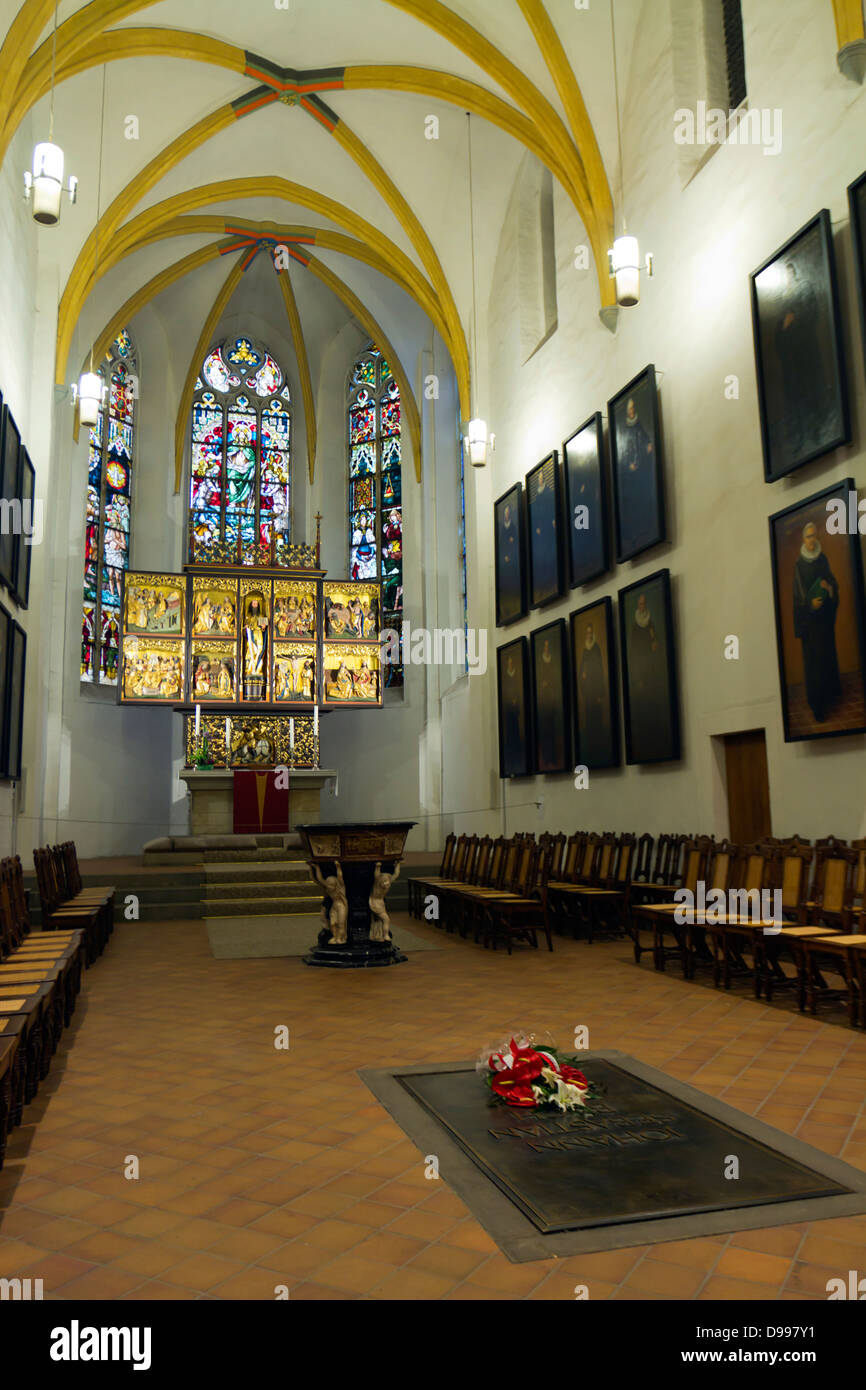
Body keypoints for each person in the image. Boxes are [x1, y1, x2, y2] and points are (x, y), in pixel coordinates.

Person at [792, 521, 842, 723]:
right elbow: (798, 597)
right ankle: (817, 706)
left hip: (824, 623)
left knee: (827, 659)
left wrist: (828, 588)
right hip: (811, 626)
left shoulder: (823, 559)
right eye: (808, 536)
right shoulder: (798, 565)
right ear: (803, 540)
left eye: (813, 536)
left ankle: (829, 697)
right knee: (814, 665)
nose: (811, 540)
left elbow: (833, 583)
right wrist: (810, 604)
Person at [628, 593, 667, 759]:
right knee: (643, 708)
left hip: (651, 670)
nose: (642, 607)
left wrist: (655, 643)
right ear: (638, 606)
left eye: (644, 604)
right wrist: (638, 677)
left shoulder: (650, 622)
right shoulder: (635, 626)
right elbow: (633, 652)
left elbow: (655, 642)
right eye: (640, 604)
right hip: (641, 673)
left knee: (654, 706)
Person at [616, 395, 656, 554]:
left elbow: (646, 439)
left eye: (633, 408)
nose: (632, 411)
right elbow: (622, 452)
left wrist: (649, 445)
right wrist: (628, 464)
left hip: (640, 469)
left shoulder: (638, 424)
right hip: (629, 472)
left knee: (642, 500)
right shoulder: (624, 429)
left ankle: (645, 531)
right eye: (630, 409)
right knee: (632, 504)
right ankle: (634, 536)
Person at [578, 621, 607, 761]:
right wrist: (583, 677)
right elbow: (581, 672)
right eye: (587, 633)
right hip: (588, 691)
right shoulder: (584, 650)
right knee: (589, 721)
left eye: (591, 632)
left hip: (596, 691)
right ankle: (591, 749)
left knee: (597, 721)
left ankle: (598, 748)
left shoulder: (596, 648)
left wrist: (601, 693)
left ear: (593, 633)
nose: (589, 635)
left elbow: (600, 671)